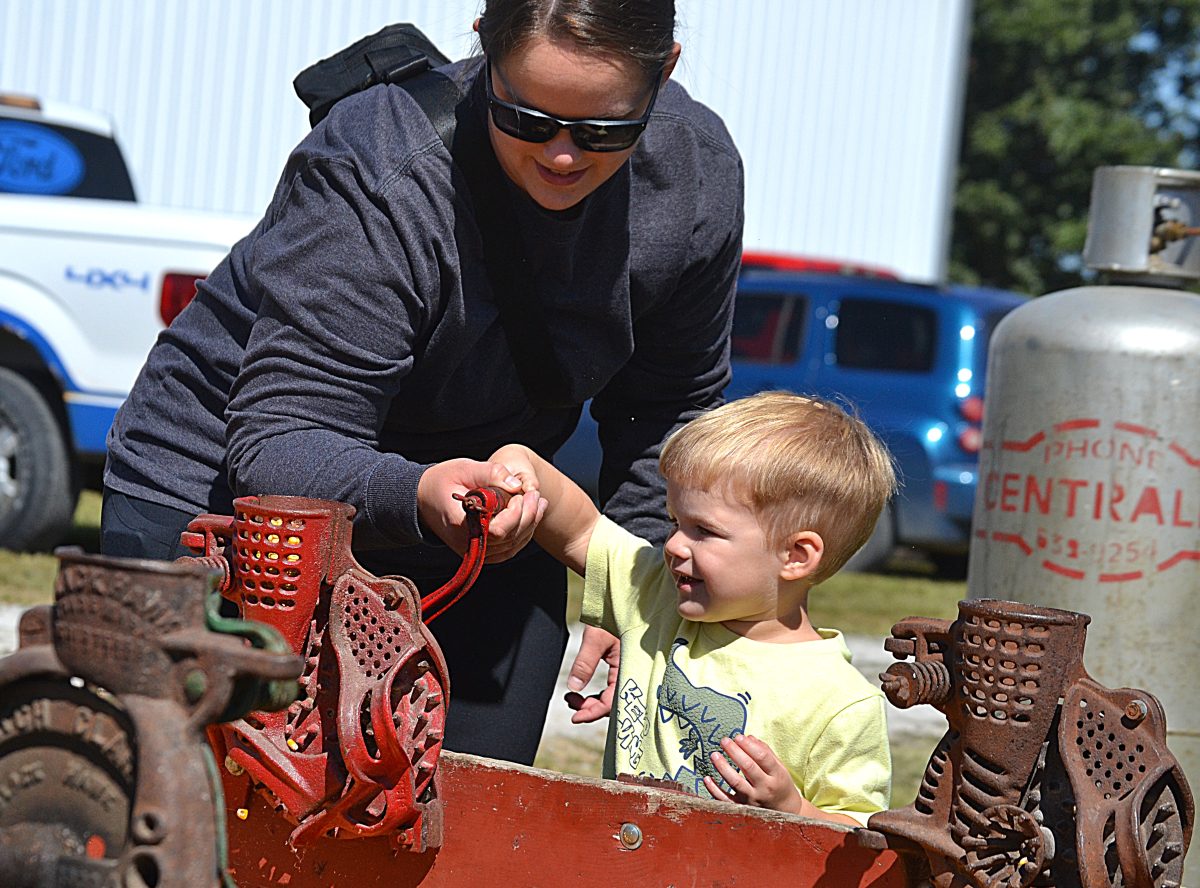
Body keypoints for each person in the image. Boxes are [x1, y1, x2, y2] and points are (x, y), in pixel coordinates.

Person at [100, 0, 744, 766]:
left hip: (481, 515)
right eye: (529, 120)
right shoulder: (383, 166)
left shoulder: (695, 175)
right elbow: (279, 437)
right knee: (214, 809)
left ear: (663, 73)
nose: (565, 156)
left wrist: (631, 570)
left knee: (466, 810)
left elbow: (671, 403)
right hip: (234, 490)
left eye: (605, 130)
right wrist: (421, 493)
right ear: (483, 48)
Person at [489, 391, 897, 824]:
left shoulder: (840, 702)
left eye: (704, 530)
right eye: (674, 521)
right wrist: (521, 465)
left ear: (796, 555)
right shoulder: (654, 596)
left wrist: (793, 809)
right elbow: (579, 529)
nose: (674, 544)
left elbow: (861, 841)